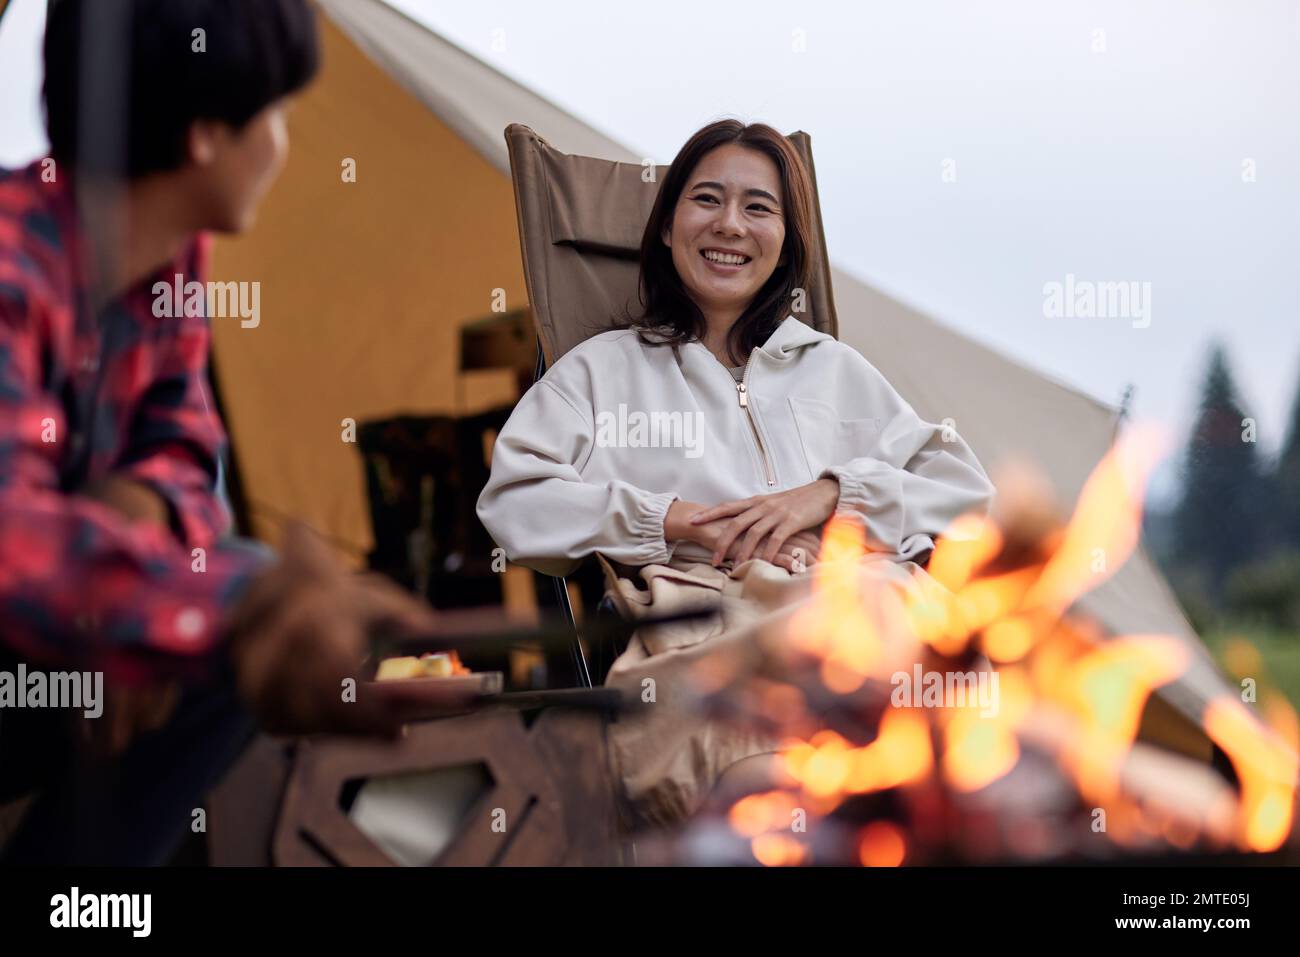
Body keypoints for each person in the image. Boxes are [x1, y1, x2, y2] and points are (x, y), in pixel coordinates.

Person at [0, 0, 461, 865]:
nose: (283, 142)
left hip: (48, 656)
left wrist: (131, 534)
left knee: (208, 638)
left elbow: (181, 443)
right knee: (237, 610)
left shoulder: (168, 256)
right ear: (206, 135)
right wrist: (224, 611)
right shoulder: (10, 261)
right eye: (276, 114)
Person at [477, 119, 996, 824]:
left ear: (786, 240)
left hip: (859, 613)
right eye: (706, 200)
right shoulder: (604, 370)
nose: (730, 226)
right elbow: (514, 498)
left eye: (759, 208)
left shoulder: (833, 368)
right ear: (666, 226)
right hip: (711, 634)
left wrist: (832, 494)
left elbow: (966, 494)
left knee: (964, 719)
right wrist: (662, 518)